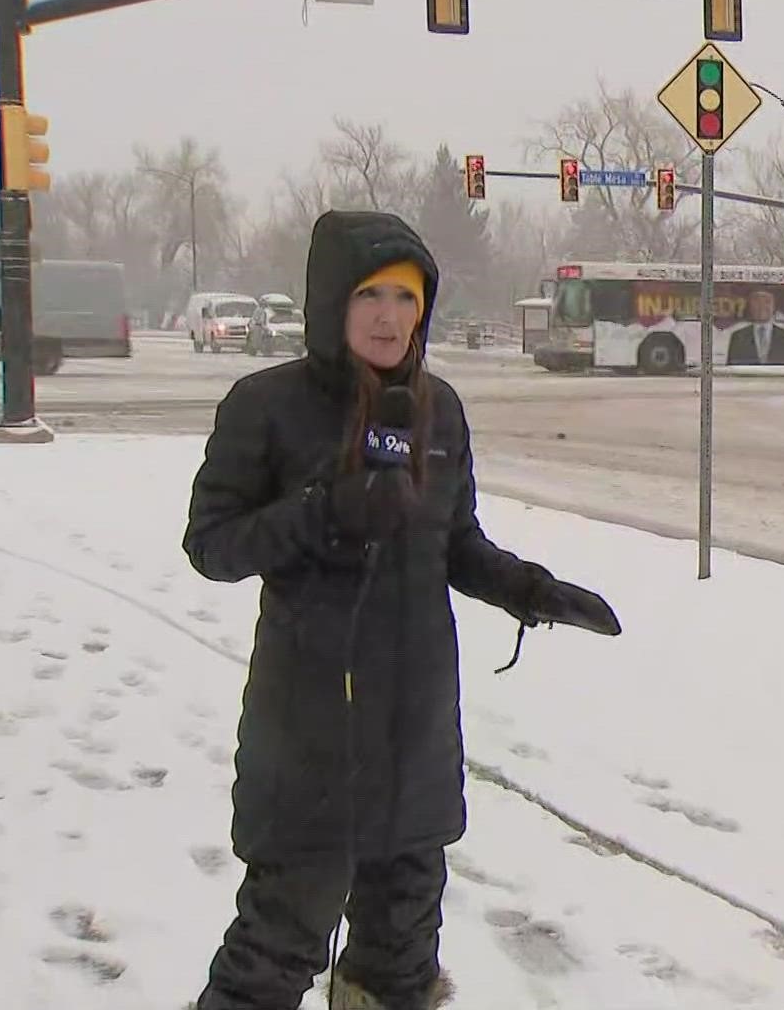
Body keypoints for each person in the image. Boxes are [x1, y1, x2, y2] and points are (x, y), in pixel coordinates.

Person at [183, 211, 619, 1010]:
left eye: (406, 297)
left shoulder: (438, 408)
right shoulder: (266, 406)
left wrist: (530, 589)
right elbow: (211, 547)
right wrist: (325, 510)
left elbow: (455, 544)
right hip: (309, 738)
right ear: (330, 303)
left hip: (415, 737)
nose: (389, 316)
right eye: (370, 295)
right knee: (275, 952)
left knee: (398, 964)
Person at [725, 288, 784, 365]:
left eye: (767, 302)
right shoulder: (738, 336)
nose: (761, 306)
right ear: (750, 307)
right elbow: (731, 368)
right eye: (757, 302)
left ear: (774, 307)